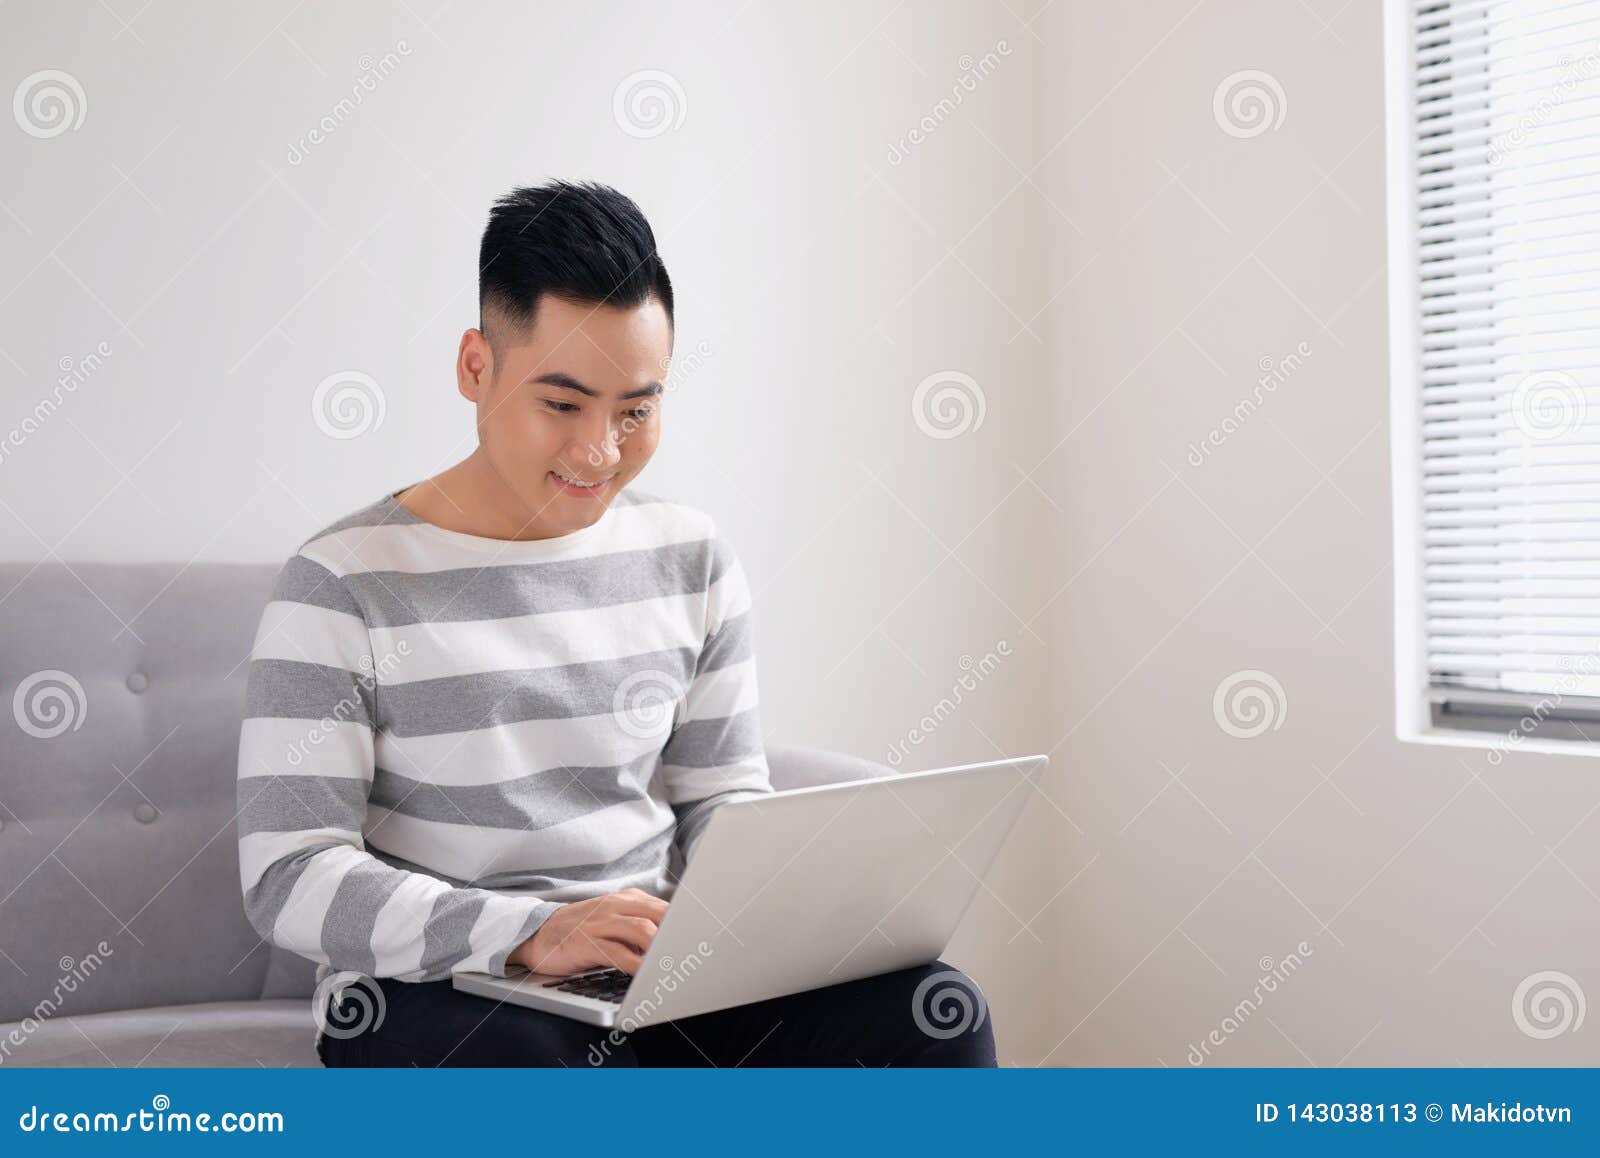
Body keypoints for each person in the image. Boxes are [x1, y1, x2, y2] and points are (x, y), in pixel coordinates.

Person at [235, 179, 995, 1067]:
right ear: (475, 367)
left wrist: (781, 916)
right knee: (538, 1066)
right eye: (562, 405)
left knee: (930, 1012)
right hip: (435, 988)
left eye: (636, 409)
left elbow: (721, 803)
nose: (600, 451)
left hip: (647, 970)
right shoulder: (341, 583)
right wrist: (531, 932)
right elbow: (289, 875)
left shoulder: (691, 556)